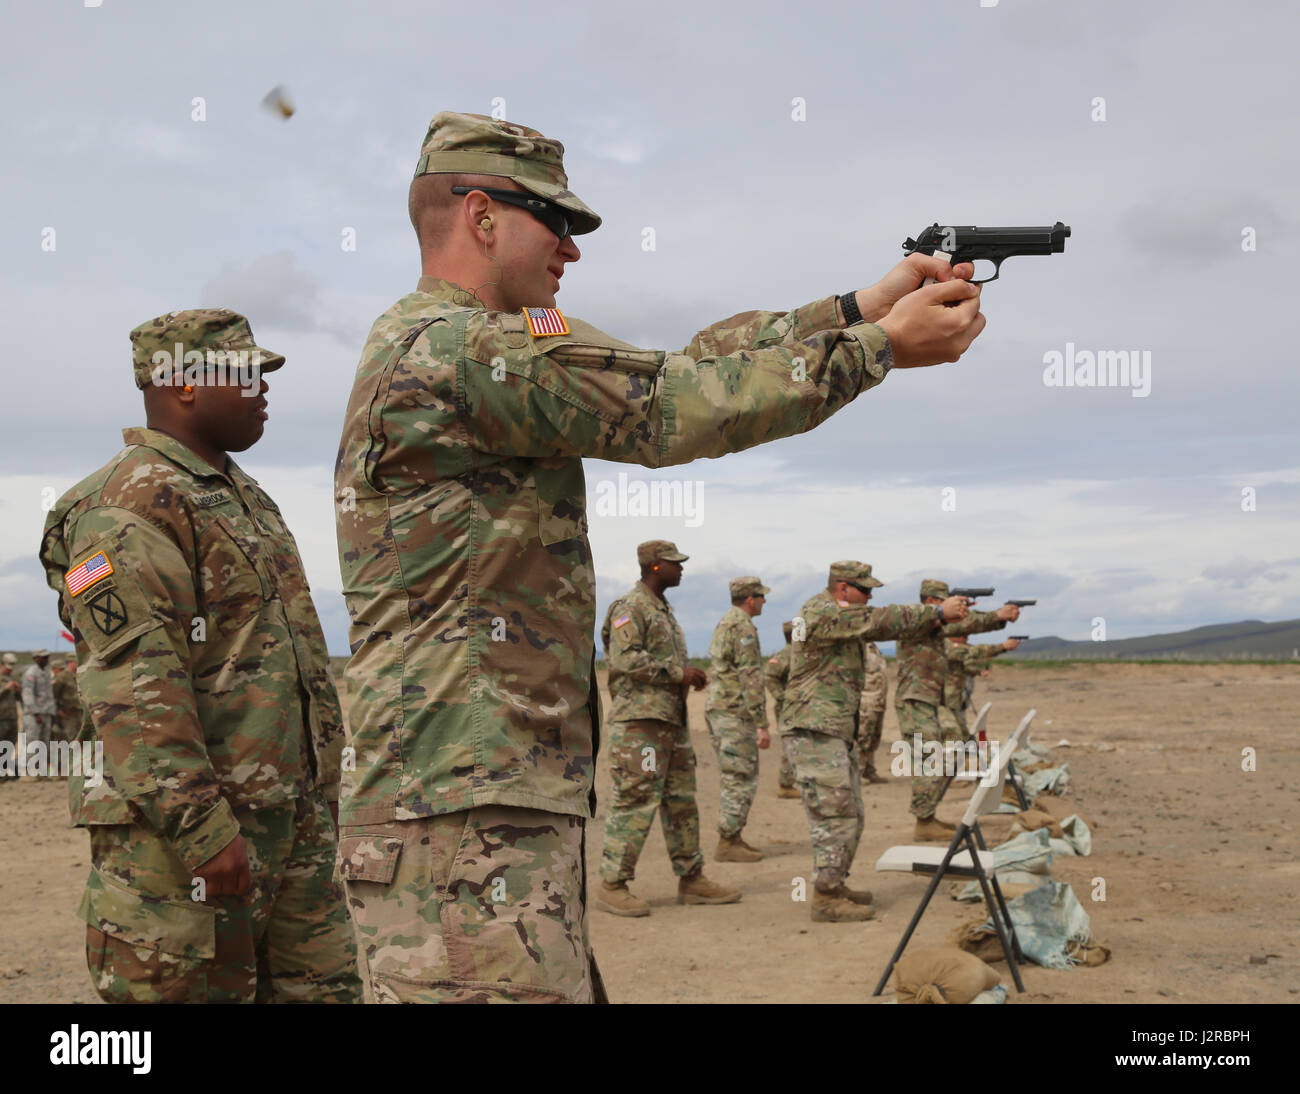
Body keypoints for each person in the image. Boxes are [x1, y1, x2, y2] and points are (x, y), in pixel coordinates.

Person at [332, 110, 985, 1001]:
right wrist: (874, 350)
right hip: (459, 814)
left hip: (476, 805)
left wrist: (854, 311)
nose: (571, 250)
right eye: (554, 222)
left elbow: (666, 366)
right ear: (482, 217)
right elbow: (676, 402)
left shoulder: (482, 345)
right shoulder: (465, 350)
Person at [39, 308, 360, 1004]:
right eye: (247, 374)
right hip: (189, 844)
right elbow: (135, 685)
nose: (264, 389)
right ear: (185, 384)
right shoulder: (123, 508)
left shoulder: (242, 498)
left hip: (285, 821)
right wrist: (202, 829)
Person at [783, 562, 968, 921]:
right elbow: (881, 621)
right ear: (842, 589)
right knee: (835, 816)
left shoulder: (840, 616)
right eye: (864, 591)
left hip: (832, 729)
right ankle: (824, 899)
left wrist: (941, 617)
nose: (869, 598)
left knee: (853, 814)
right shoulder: (820, 611)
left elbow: (878, 621)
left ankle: (834, 884)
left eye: (871, 592)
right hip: (813, 729)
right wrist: (935, 612)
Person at [597, 541, 740, 914]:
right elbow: (625, 659)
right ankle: (613, 883)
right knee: (635, 801)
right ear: (655, 566)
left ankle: (692, 879)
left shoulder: (663, 610)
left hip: (670, 723)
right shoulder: (631, 608)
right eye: (675, 563)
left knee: (681, 802)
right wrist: (680, 673)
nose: (681, 569)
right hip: (640, 726)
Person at [895, 580, 1019, 840]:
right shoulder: (919, 619)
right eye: (944, 601)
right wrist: (997, 616)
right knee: (927, 758)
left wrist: (994, 618)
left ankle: (927, 818)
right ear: (931, 601)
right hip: (916, 699)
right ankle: (924, 822)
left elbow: (963, 628)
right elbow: (962, 628)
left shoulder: (933, 623)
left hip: (929, 699)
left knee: (938, 757)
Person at [705, 576, 771, 862]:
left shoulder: (725, 622)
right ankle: (728, 839)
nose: (764, 602)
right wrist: (762, 722)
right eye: (761, 596)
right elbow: (750, 677)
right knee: (740, 777)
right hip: (734, 712)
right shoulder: (742, 627)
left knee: (734, 775)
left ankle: (733, 836)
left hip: (720, 709)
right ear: (750, 599)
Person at [765, 621, 801, 799]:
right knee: (791, 743)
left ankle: (795, 780)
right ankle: (786, 784)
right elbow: (770, 678)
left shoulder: (799, 654)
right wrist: (783, 697)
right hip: (788, 709)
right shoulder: (785, 655)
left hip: (800, 707)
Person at [856, 638, 890, 784]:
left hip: (879, 700)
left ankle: (869, 771)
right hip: (866, 701)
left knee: (874, 739)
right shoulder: (859, 648)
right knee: (862, 739)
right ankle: (857, 773)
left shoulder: (874, 648)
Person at [20, 650, 54, 748]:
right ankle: (28, 763)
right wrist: (35, 713)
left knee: (43, 745)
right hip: (34, 715)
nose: (46, 660)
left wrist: (51, 712)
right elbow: (27, 694)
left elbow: (49, 694)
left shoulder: (46, 673)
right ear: (36, 658)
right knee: (32, 744)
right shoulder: (31, 673)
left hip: (46, 713)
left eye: (47, 657)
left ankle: (40, 764)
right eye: (44, 657)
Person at [51, 657, 81, 743]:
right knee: (68, 738)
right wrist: (57, 710)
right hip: (66, 713)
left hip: (78, 713)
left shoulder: (77, 675)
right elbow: (53, 695)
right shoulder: (61, 676)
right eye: (76, 662)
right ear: (71, 662)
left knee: (77, 737)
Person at [0, 653, 20, 784]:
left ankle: (4, 773)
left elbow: (18, 699)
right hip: (1, 718)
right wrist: (5, 689)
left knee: (9, 746)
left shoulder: (11, 679)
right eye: (8, 666)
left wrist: (18, 690)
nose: (10, 669)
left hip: (12, 717)